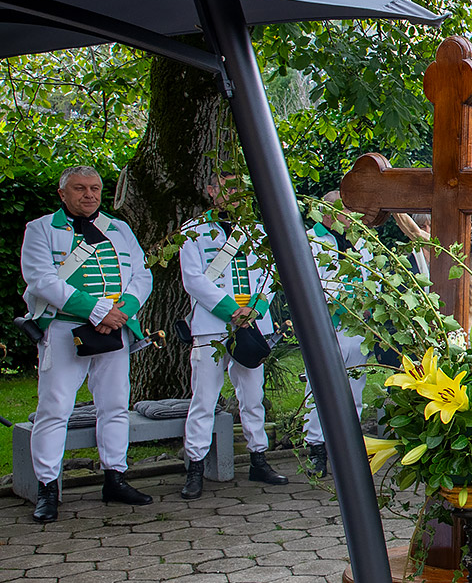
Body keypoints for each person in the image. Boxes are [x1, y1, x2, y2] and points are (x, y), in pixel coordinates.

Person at [20, 165, 153, 521]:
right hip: (65, 329)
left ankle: (115, 478)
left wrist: (122, 311)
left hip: (115, 329)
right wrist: (97, 311)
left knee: (114, 405)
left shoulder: (119, 229)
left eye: (94, 188)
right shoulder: (40, 229)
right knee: (55, 409)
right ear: (63, 193)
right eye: (79, 189)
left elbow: (142, 274)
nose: (89, 195)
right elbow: (41, 280)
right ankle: (48, 488)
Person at [180, 174, 287, 498]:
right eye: (227, 187)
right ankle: (195, 467)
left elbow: (270, 273)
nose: (236, 194)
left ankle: (258, 458)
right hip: (212, 326)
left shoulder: (257, 230)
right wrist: (232, 310)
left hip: (251, 325)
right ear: (212, 190)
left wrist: (254, 308)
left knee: (252, 397)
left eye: (241, 188)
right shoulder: (193, 231)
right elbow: (193, 280)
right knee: (204, 398)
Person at [302, 192, 368, 474]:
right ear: (326, 212)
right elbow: (313, 282)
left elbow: (371, 278)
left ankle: (350, 449)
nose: (350, 215)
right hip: (325, 325)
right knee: (320, 387)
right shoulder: (309, 239)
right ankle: (316, 448)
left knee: (356, 388)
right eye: (344, 210)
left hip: (358, 327)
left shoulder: (361, 241)